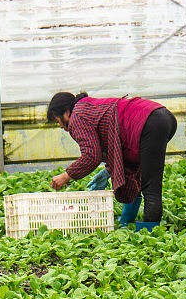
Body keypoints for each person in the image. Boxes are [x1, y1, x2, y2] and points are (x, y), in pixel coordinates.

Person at [46, 91, 177, 231]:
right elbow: (115, 145)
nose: (60, 126)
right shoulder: (88, 107)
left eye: (57, 120)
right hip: (163, 118)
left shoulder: (76, 116)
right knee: (134, 169)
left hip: (149, 122)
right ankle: (128, 221)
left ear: (66, 112)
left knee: (150, 187)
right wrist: (109, 171)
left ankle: (151, 234)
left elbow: (91, 155)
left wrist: (66, 176)